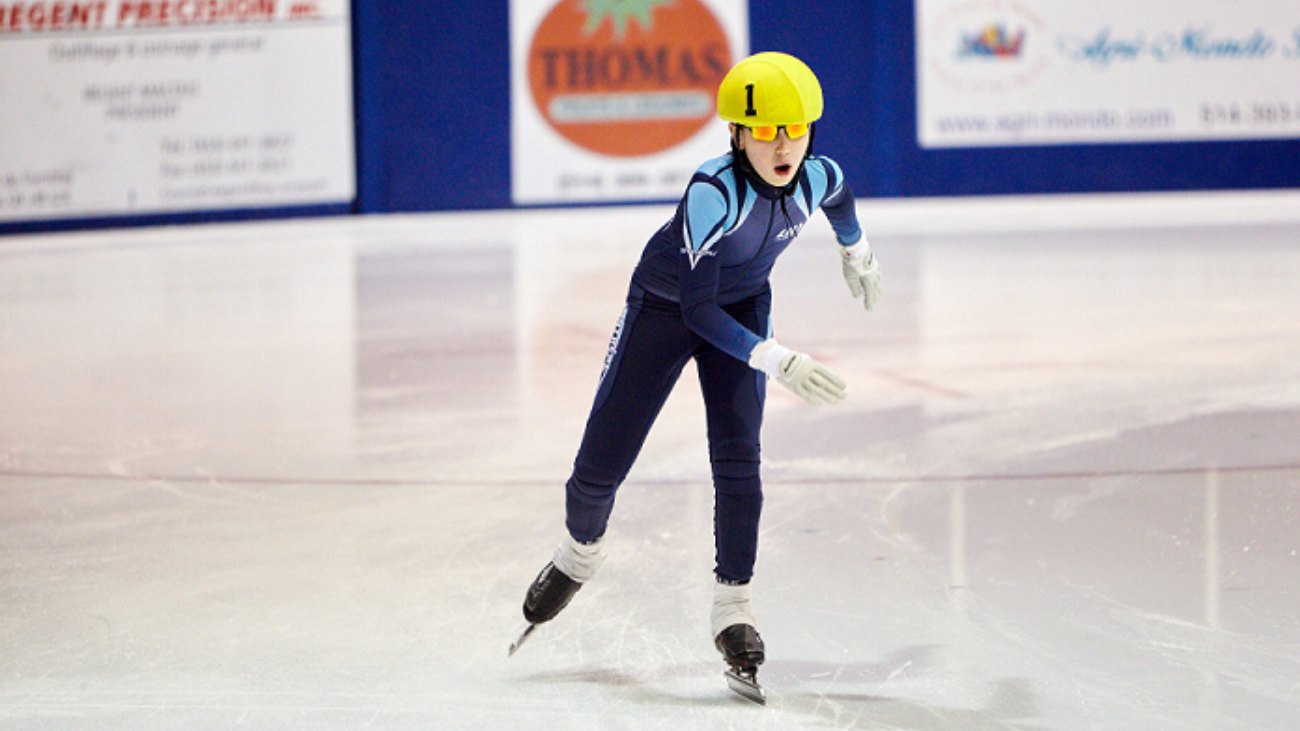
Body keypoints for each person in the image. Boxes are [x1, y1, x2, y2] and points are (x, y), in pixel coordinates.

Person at [515, 52, 882, 686]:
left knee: (740, 460)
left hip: (744, 302)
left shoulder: (818, 176)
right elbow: (697, 308)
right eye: (765, 130)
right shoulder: (714, 192)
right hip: (668, 308)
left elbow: (842, 197)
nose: (782, 144)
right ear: (736, 134)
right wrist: (775, 356)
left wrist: (858, 251)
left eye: (794, 129)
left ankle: (733, 608)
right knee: (598, 469)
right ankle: (578, 554)